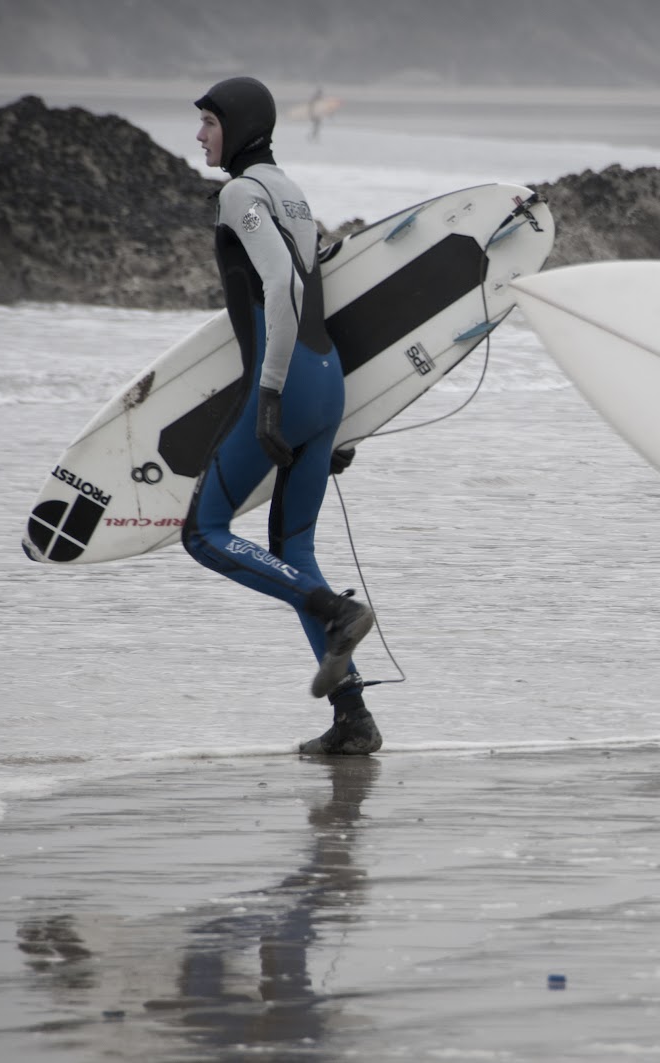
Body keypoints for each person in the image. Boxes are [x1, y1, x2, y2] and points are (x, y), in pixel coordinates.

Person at [186, 75, 380, 756]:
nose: (200, 135)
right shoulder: (292, 193)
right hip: (327, 382)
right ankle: (353, 719)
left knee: (203, 532)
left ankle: (337, 610)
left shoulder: (240, 193)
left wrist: (269, 395)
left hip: (288, 379)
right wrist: (335, 422)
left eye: (210, 123)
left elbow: (282, 285)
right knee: (294, 552)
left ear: (238, 126)